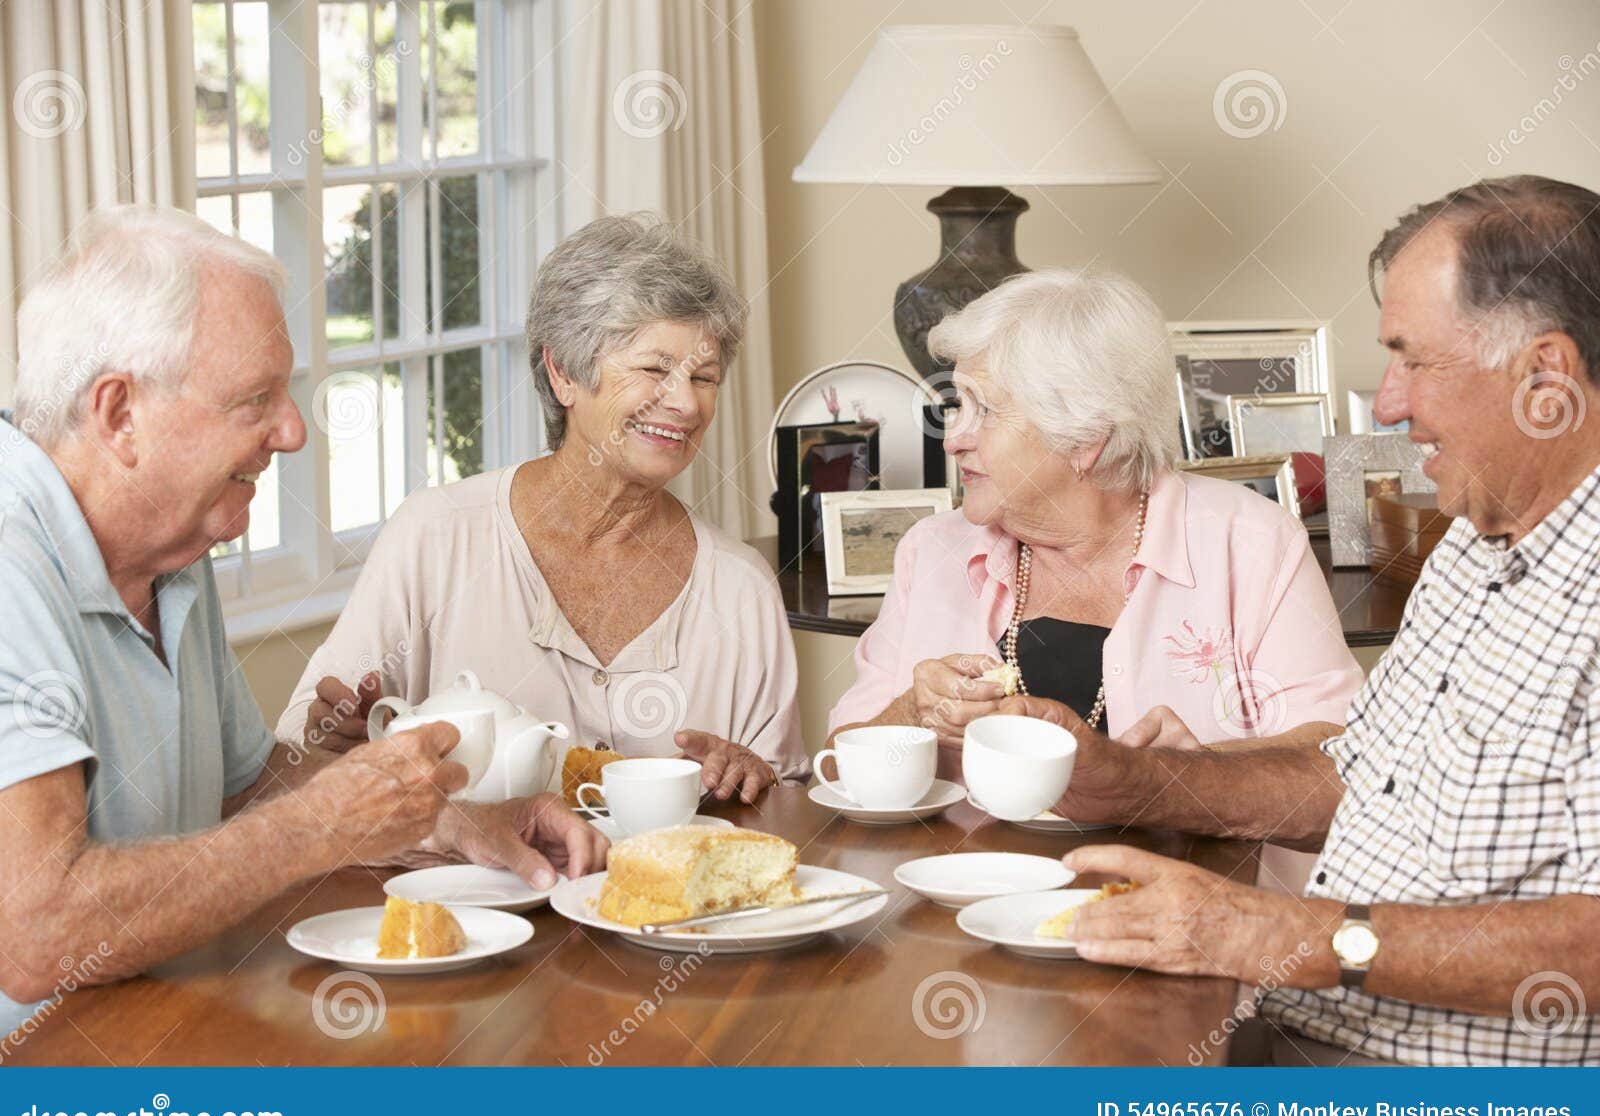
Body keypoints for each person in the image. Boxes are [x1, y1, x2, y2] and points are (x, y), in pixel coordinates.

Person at [996, 175, 1600, 1066]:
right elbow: (1357, 781)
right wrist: (1133, 781)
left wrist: (1281, 933)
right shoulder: (1474, 547)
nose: (1388, 402)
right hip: (1306, 1040)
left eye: (1414, 359)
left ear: (1544, 377)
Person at [0, 207, 603, 1033]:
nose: (290, 431)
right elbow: (36, 936)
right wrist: (322, 823)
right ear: (119, 414)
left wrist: (451, 820)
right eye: (254, 399)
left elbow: (249, 787)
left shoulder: (171, 540)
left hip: (162, 1026)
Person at [278, 214, 806, 803]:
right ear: (563, 374)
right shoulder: (438, 536)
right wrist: (339, 735)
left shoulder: (741, 589)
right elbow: (301, 741)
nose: (684, 402)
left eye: (704, 377)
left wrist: (755, 777)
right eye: (654, 369)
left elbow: (784, 803)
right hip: (468, 894)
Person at [826, 270, 1362, 845]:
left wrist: (1184, 775)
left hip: (1181, 908)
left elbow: (1339, 770)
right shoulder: (931, 552)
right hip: (961, 902)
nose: (952, 437)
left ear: (1085, 438)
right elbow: (837, 767)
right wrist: (915, 710)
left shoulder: (1250, 544)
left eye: (982, 411)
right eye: (957, 405)